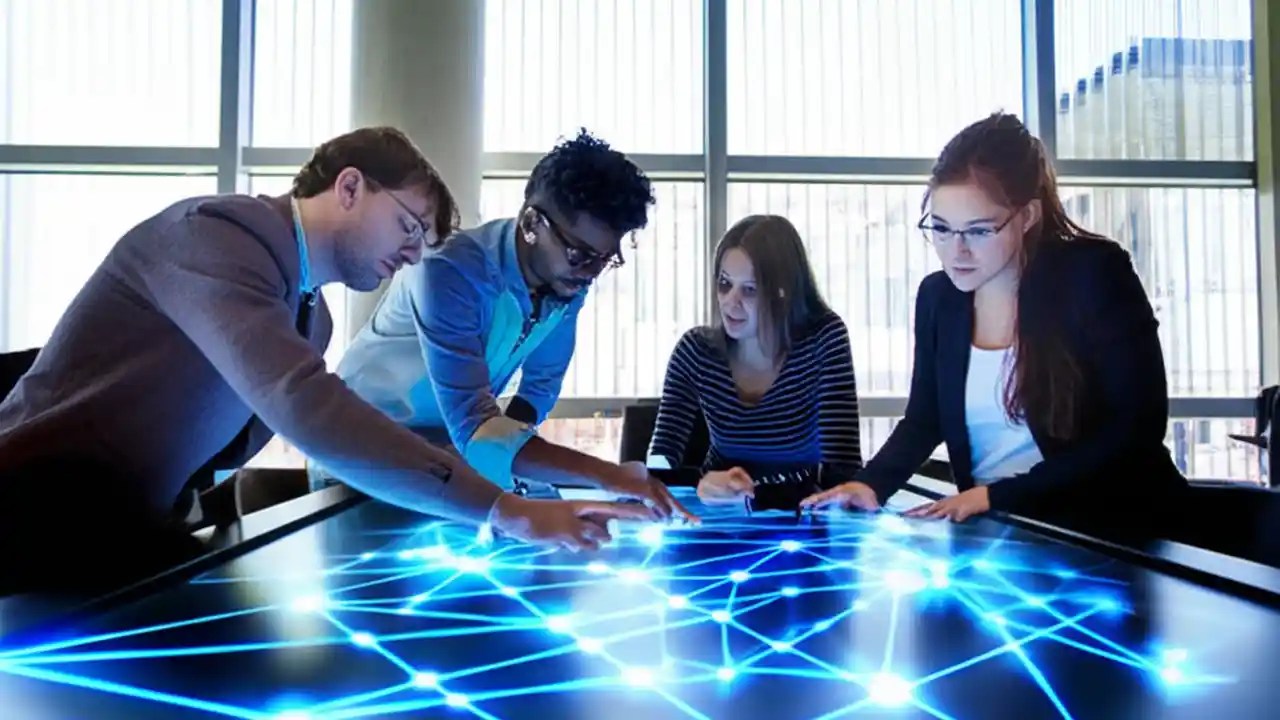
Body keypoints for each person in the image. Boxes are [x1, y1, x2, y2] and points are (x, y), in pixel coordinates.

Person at [0, 127, 650, 593]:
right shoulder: (214, 237)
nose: (415, 255)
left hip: (126, 523)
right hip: (35, 508)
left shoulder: (314, 319)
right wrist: (506, 507)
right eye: (409, 227)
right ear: (349, 187)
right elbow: (307, 404)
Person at [800, 113, 1187, 539]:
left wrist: (997, 496)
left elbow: (1136, 430)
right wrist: (870, 484)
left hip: (1115, 532)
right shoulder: (939, 298)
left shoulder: (1093, 273)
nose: (956, 251)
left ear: (1027, 217)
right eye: (942, 229)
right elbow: (924, 419)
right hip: (1002, 535)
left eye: (979, 231)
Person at [328, 129, 695, 523]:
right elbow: (475, 424)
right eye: (579, 253)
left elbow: (538, 389)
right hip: (357, 458)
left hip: (441, 463)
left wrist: (511, 465)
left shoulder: (567, 284)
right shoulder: (447, 271)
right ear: (532, 222)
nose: (590, 273)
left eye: (605, 259)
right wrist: (610, 475)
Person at [647, 214, 863, 507]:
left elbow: (843, 470)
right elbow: (659, 465)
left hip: (803, 512)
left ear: (784, 294)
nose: (730, 301)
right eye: (725, 284)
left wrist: (759, 497)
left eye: (749, 289)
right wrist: (700, 483)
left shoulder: (824, 339)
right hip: (716, 513)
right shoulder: (695, 351)